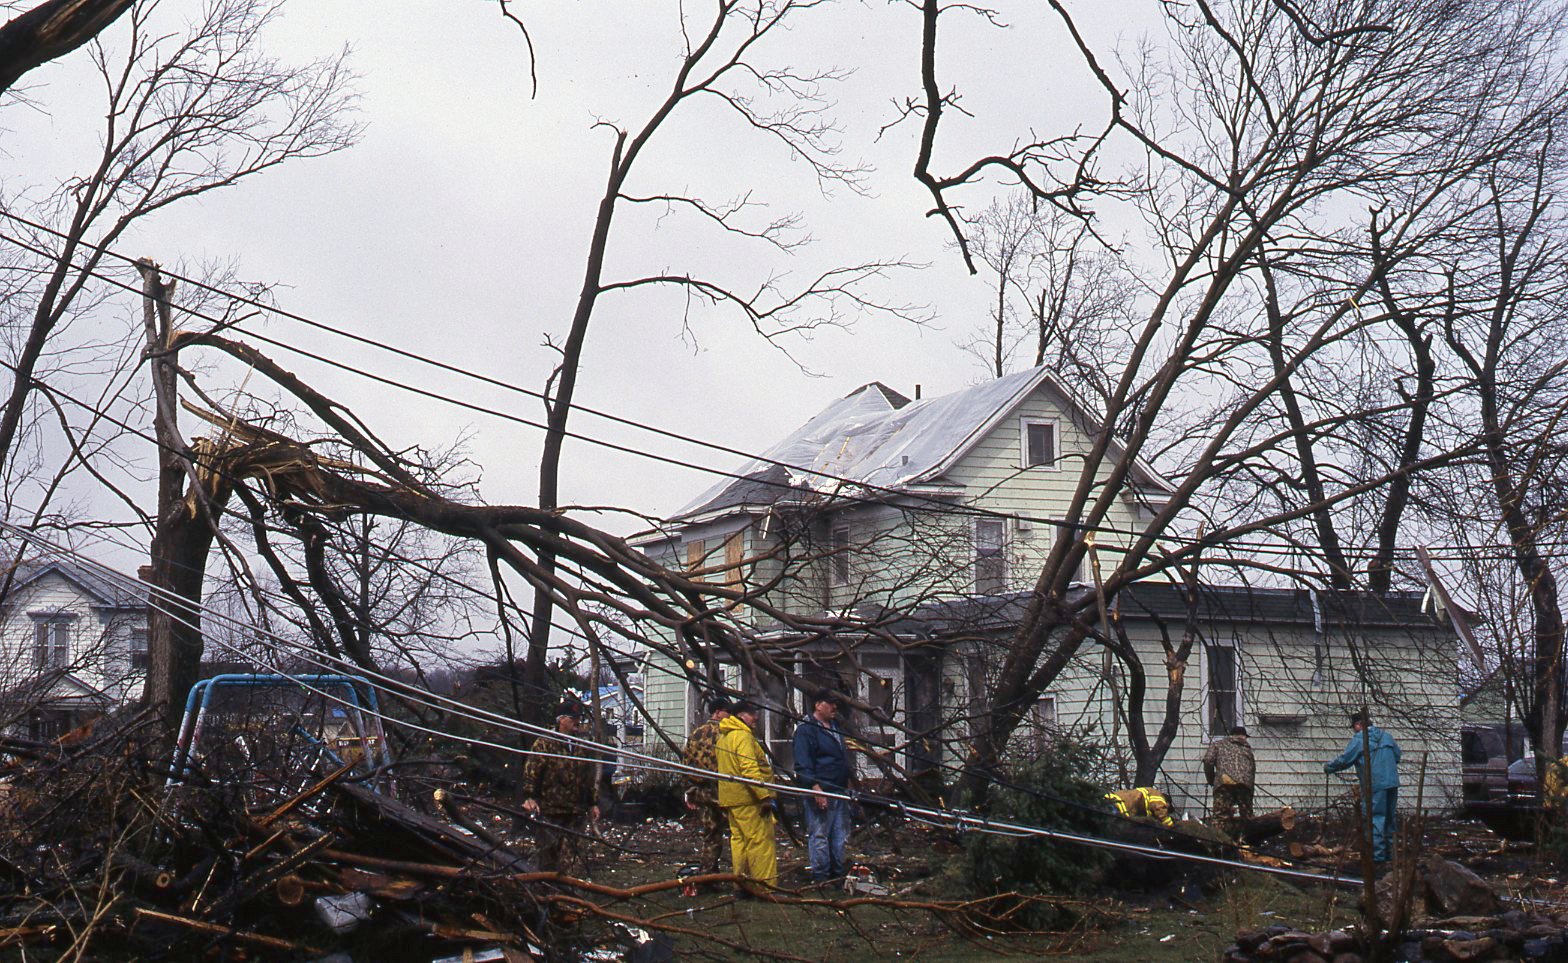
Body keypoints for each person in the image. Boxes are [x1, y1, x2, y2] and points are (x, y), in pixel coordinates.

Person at [520, 701, 601, 875]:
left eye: (579, 718)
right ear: (561, 720)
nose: (577, 722)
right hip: (550, 812)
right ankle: (546, 896)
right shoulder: (545, 743)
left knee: (572, 861)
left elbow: (589, 777)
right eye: (573, 718)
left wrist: (593, 803)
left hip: (576, 813)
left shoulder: (582, 746)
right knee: (547, 860)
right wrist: (529, 797)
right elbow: (531, 772)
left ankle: (570, 897)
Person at [716, 699, 778, 893]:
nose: (756, 718)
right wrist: (764, 796)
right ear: (741, 715)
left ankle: (741, 884)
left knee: (739, 843)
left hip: (731, 799)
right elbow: (749, 769)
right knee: (760, 843)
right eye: (752, 714)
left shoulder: (724, 737)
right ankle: (765, 888)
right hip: (749, 799)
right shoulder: (742, 737)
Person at [1324, 710, 1401, 863]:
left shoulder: (1360, 739)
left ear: (1359, 724)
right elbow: (1397, 756)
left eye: (1354, 726)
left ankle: (1377, 858)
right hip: (1392, 782)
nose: (1354, 730)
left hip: (1375, 784)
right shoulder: (1386, 736)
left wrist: (1329, 767)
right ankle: (1391, 856)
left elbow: (1346, 759)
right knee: (1390, 819)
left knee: (1376, 818)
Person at [792, 688, 852, 882]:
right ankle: (821, 877)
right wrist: (815, 788)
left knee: (839, 836)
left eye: (836, 703)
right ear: (818, 705)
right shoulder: (806, 730)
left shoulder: (835, 727)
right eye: (830, 703)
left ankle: (837, 875)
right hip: (821, 790)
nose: (835, 707)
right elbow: (803, 764)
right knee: (819, 835)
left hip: (839, 790)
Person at [682, 695, 732, 874]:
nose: (731, 717)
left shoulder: (695, 734)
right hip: (723, 791)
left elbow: (686, 763)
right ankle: (743, 873)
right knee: (737, 832)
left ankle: (708, 873)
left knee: (711, 834)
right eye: (728, 712)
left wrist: (690, 789)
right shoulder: (727, 734)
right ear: (718, 712)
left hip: (701, 792)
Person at [1203, 726, 1256, 830]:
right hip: (1245, 786)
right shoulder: (1247, 749)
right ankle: (1248, 840)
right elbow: (1252, 771)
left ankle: (1218, 841)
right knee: (1247, 817)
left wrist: (1211, 779)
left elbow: (1208, 761)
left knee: (1220, 817)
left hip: (1224, 783)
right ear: (1244, 736)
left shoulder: (1218, 745)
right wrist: (1249, 791)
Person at [1103, 786, 1176, 826]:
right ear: (1167, 803)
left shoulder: (1149, 795)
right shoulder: (1158, 796)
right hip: (1118, 805)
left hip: (1111, 800)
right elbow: (1159, 810)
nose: (1165, 810)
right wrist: (1170, 826)